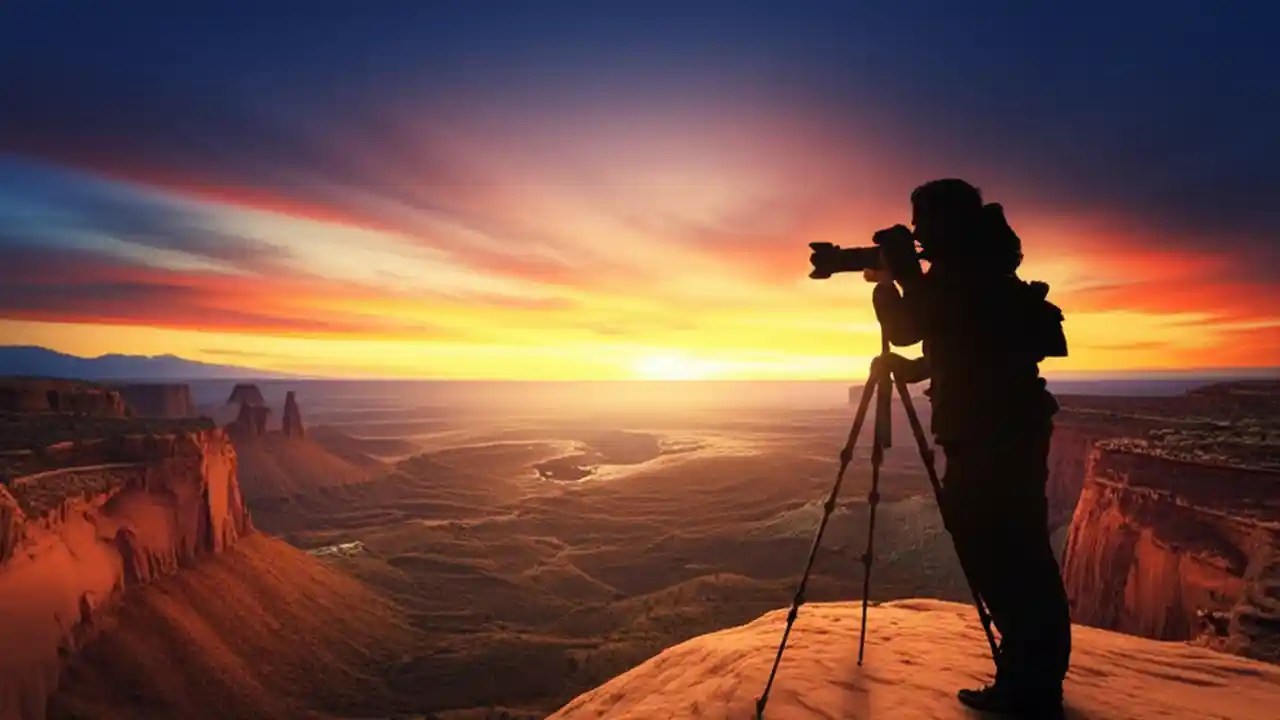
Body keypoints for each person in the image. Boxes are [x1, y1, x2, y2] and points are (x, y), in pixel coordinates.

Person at [871, 179, 1072, 716]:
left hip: (991, 438)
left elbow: (911, 324)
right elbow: (959, 347)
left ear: (945, 221)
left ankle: (1030, 686)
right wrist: (912, 369)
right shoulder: (976, 272)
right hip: (998, 432)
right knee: (1015, 552)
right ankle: (1032, 676)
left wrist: (888, 285)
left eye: (920, 223)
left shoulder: (965, 273)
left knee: (1003, 554)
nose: (915, 234)